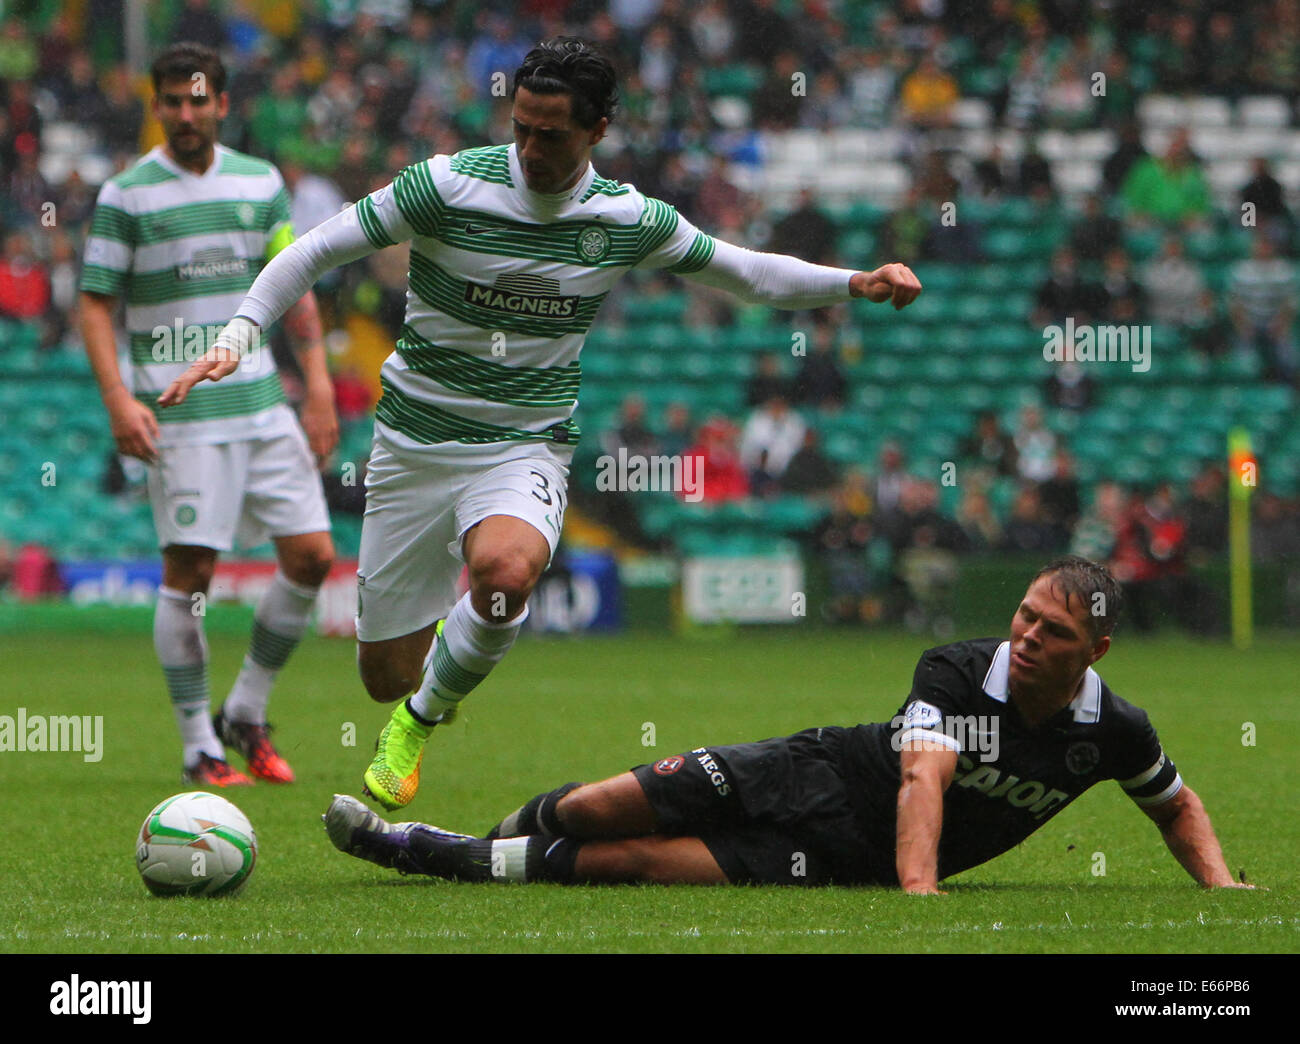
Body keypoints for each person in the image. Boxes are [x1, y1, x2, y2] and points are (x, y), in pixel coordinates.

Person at [160, 37, 923, 813]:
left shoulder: (624, 217)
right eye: (520, 126)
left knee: (506, 573)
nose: (528, 147)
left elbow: (746, 272)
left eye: (550, 133)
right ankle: (426, 688)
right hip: (412, 444)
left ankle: (416, 726)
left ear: (597, 130)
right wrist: (234, 339)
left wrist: (854, 282)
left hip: (522, 443)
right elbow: (315, 251)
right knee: (382, 675)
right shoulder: (448, 186)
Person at [324, 556, 1253, 892]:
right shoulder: (960, 670)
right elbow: (925, 775)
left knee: (632, 865)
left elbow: (1173, 805)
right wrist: (921, 888)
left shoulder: (1115, 730)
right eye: (1023, 616)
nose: (1027, 636)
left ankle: (426, 852)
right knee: (598, 812)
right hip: (817, 773)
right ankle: (504, 841)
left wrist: (1217, 887)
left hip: (844, 859)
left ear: (1096, 650)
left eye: (1052, 632)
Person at [79, 43, 338, 787]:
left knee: (313, 557)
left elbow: (295, 287)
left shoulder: (262, 184)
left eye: (199, 100)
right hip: (181, 415)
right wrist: (117, 398)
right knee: (190, 574)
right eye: (172, 101)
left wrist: (317, 384)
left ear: (222, 104)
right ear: (155, 105)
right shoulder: (126, 195)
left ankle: (246, 712)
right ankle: (199, 744)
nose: (186, 113)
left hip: (262, 405)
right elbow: (96, 302)